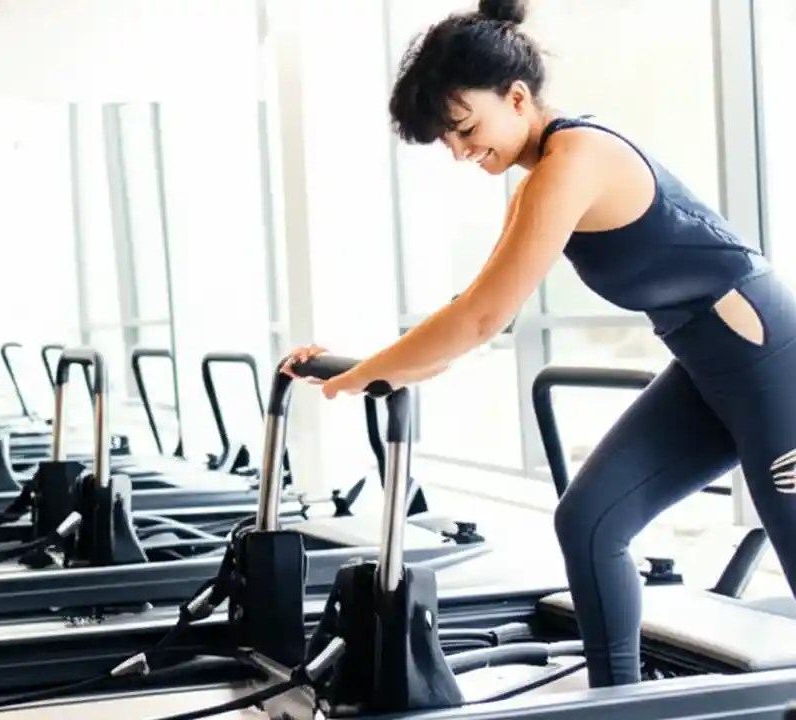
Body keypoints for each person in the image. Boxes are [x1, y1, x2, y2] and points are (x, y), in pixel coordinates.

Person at [283, 0, 796, 689]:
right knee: (589, 522)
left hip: (772, 364)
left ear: (517, 96)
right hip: (707, 369)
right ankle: (620, 703)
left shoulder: (575, 160)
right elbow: (470, 309)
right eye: (448, 139)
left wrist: (359, 377)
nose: (461, 150)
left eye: (464, 127)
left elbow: (478, 322)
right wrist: (368, 369)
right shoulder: (540, 176)